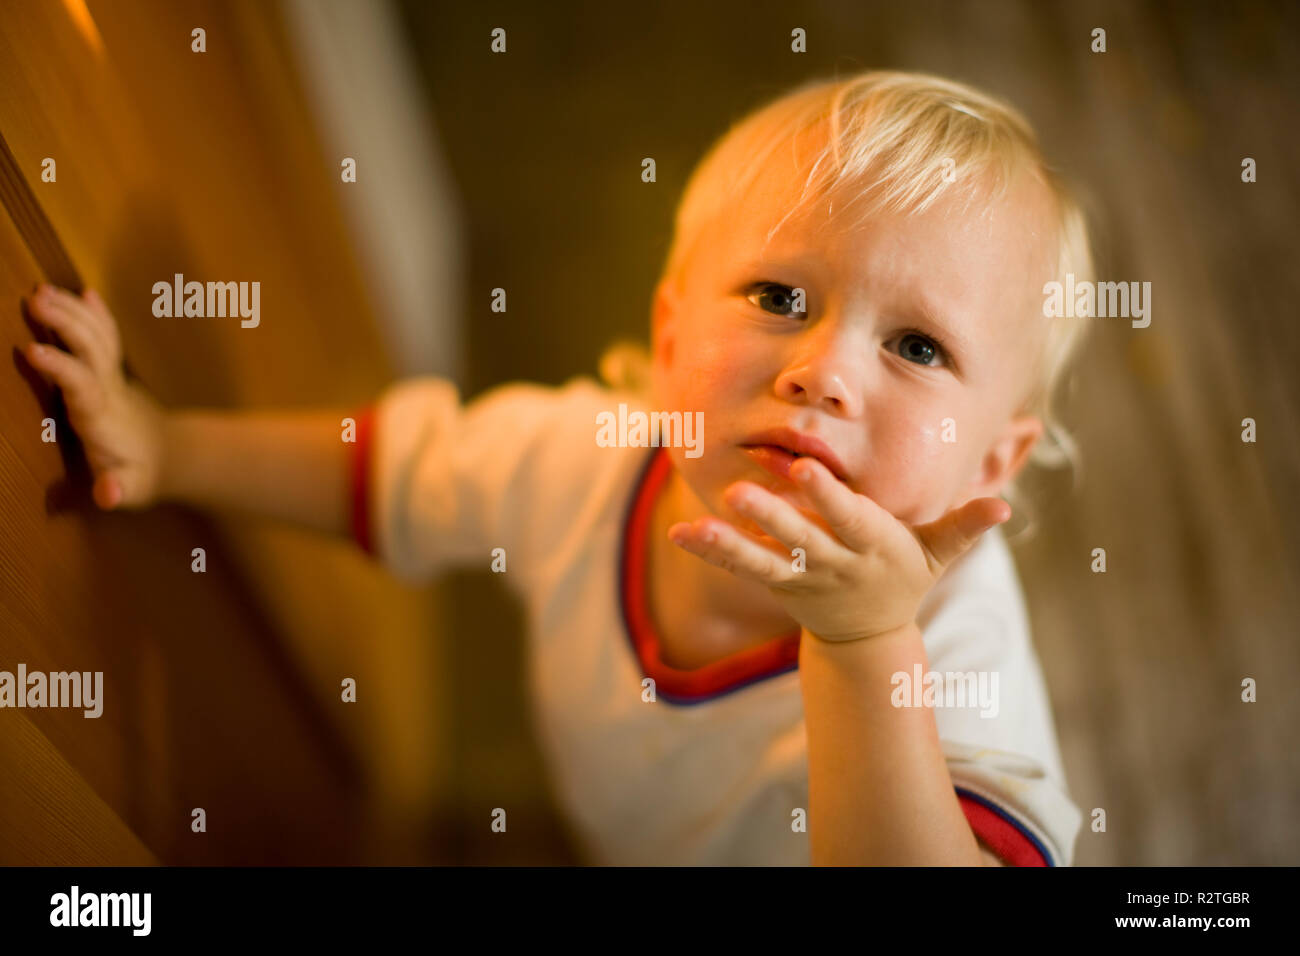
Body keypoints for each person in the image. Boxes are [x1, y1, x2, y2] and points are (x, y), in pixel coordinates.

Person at [20, 69, 1094, 866]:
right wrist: (169, 447)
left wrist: (864, 646)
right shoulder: (584, 463)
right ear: (668, 339)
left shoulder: (959, 651)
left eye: (917, 347)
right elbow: (385, 472)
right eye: (779, 297)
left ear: (991, 462)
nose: (823, 372)